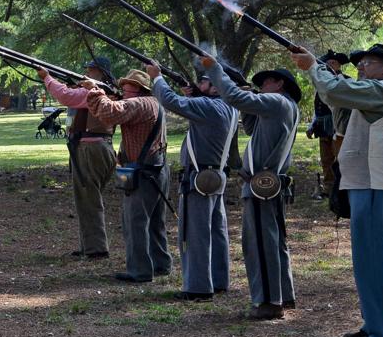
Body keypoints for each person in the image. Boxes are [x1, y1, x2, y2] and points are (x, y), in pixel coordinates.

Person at [292, 44, 383, 337]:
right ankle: (375, 326)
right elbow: (338, 104)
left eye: (367, 63)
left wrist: (312, 68)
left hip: (375, 185)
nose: (360, 67)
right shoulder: (381, 91)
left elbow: (334, 93)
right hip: (374, 183)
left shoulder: (381, 89)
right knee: (368, 261)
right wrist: (324, 73)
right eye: (359, 64)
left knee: (375, 263)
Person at [202, 56, 300, 320]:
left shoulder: (277, 101)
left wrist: (214, 69)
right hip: (268, 184)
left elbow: (234, 98)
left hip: (262, 185)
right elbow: (250, 126)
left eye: (267, 80)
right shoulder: (284, 105)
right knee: (274, 241)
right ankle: (283, 295)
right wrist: (247, 101)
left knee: (260, 243)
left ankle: (268, 302)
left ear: (280, 84)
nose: (262, 85)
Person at [147, 64, 236, 301]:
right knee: (217, 231)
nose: (200, 85)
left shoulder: (209, 106)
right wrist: (196, 94)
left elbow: (170, 101)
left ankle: (197, 287)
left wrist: (157, 77)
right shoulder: (229, 106)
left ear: (215, 86)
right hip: (215, 176)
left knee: (195, 233)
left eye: (204, 82)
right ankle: (218, 280)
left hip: (199, 178)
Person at [82, 69, 170, 284]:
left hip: (143, 170)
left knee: (135, 222)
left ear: (138, 89)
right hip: (156, 167)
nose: (123, 90)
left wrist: (94, 91)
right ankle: (161, 264)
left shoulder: (140, 103)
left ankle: (139, 271)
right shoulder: (152, 103)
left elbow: (110, 113)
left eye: (127, 87)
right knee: (155, 221)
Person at [37, 57, 117, 259]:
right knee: (87, 198)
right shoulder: (107, 90)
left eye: (92, 70)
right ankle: (89, 245)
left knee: (88, 199)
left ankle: (96, 249)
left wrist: (47, 77)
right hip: (98, 147)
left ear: (101, 73)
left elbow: (65, 96)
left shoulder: (94, 91)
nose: (88, 73)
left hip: (90, 148)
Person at [306, 50, 350, 199]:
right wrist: (312, 126)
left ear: (339, 65)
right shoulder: (322, 83)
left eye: (333, 63)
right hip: (322, 126)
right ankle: (328, 187)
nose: (330, 65)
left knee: (339, 158)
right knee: (326, 159)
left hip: (339, 127)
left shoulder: (346, 81)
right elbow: (317, 108)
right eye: (328, 62)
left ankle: (341, 188)